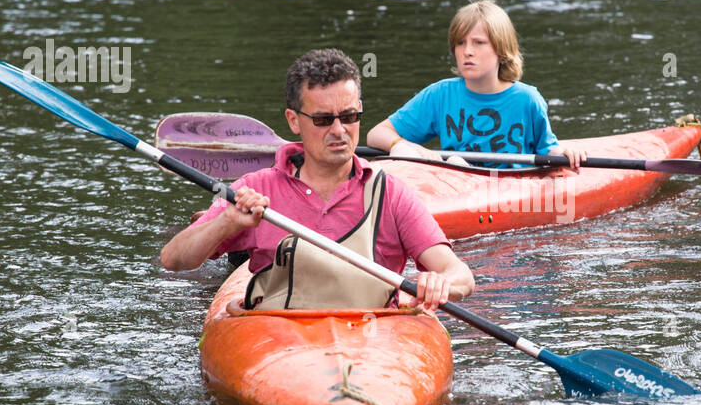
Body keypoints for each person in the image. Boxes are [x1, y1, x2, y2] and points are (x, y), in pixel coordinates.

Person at [160, 48, 474, 311]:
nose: (339, 130)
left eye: (349, 117)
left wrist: (442, 282)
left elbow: (461, 274)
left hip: (370, 343)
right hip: (278, 346)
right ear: (293, 120)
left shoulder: (390, 193)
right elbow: (174, 259)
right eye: (324, 120)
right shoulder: (254, 189)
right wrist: (227, 224)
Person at [366, 0, 587, 171]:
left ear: (502, 51)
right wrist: (401, 146)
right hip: (455, 179)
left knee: (456, 162)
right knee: (453, 162)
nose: (467, 51)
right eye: (460, 43)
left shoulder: (527, 99)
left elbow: (548, 150)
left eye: (478, 43)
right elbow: (376, 134)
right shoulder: (440, 94)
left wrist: (565, 154)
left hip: (509, 189)